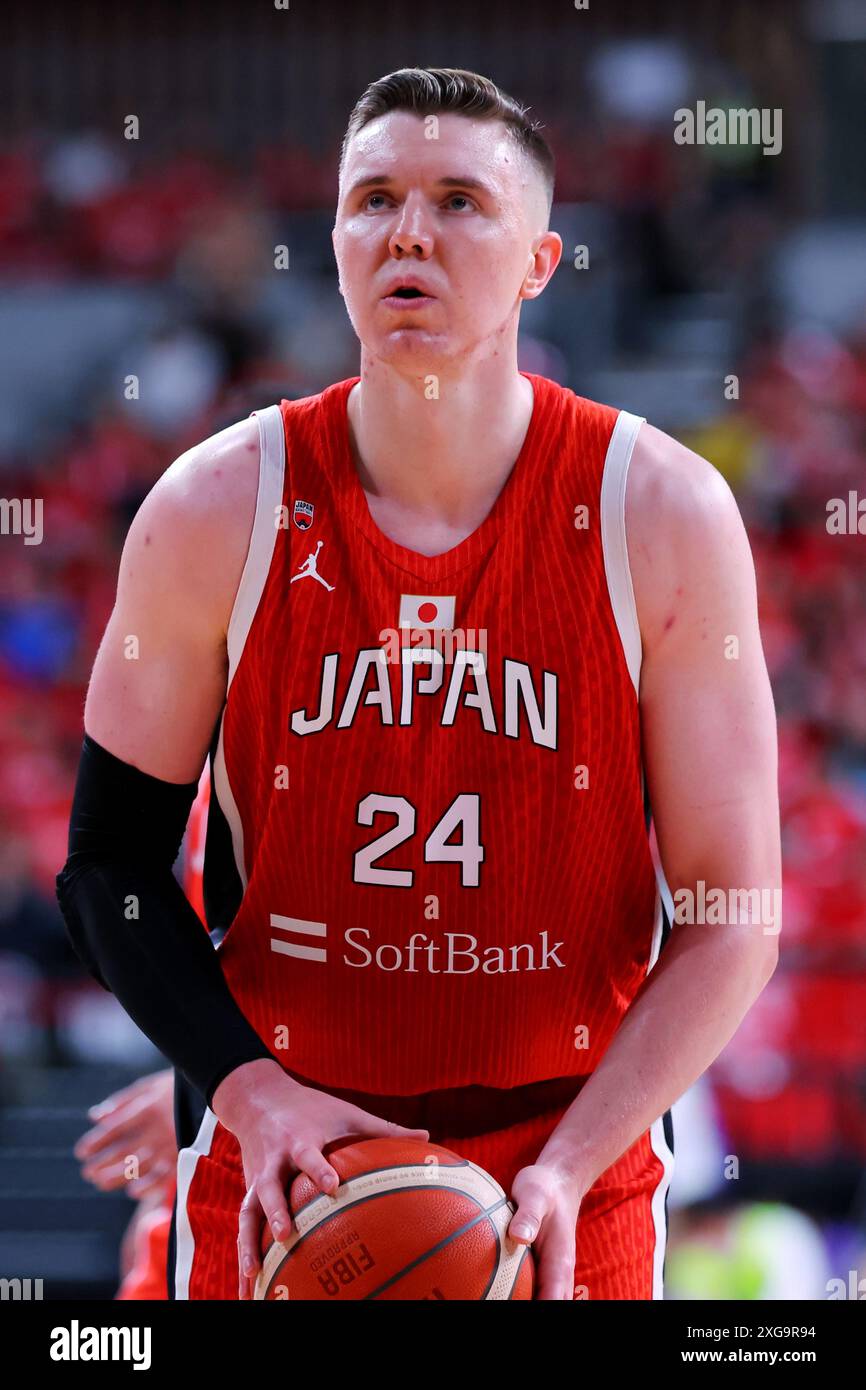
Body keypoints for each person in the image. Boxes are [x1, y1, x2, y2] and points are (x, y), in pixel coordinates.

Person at [56, 67, 781, 1301]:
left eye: (458, 201)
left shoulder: (658, 513)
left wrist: (569, 1166)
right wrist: (246, 1091)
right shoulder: (213, 509)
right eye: (373, 199)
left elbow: (732, 914)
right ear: (335, 244)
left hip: (571, 1150)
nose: (408, 231)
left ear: (541, 259)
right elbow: (110, 868)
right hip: (288, 1157)